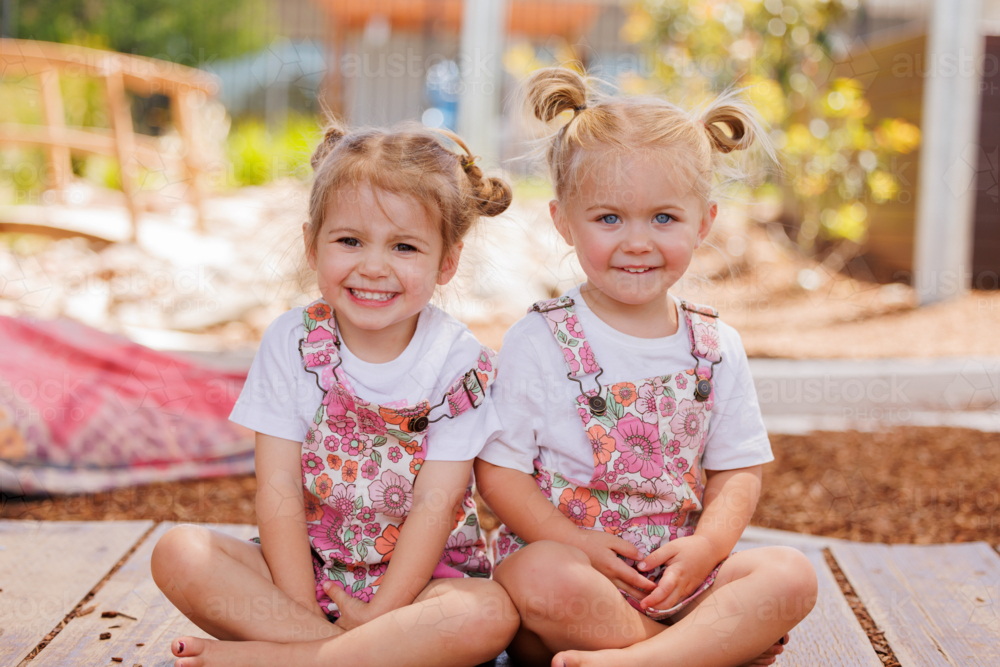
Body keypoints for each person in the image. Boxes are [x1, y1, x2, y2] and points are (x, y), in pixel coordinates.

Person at [474, 67, 818, 667]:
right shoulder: (540, 339)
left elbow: (737, 471)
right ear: (564, 222)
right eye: (609, 219)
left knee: (790, 574)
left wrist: (708, 548)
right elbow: (500, 475)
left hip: (681, 582)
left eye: (664, 218)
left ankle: (641, 659)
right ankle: (694, 654)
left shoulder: (714, 344)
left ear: (703, 222)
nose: (637, 242)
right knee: (535, 575)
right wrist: (575, 542)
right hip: (578, 583)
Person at [151, 119, 519, 667]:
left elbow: (435, 503)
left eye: (404, 247)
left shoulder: (457, 359)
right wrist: (301, 607)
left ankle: (286, 660)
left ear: (447, 261)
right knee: (178, 552)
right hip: (306, 575)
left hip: (420, 591)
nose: (373, 267)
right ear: (311, 244)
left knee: (489, 612)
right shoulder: (292, 342)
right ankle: (332, 653)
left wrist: (383, 613)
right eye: (349, 241)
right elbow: (277, 489)